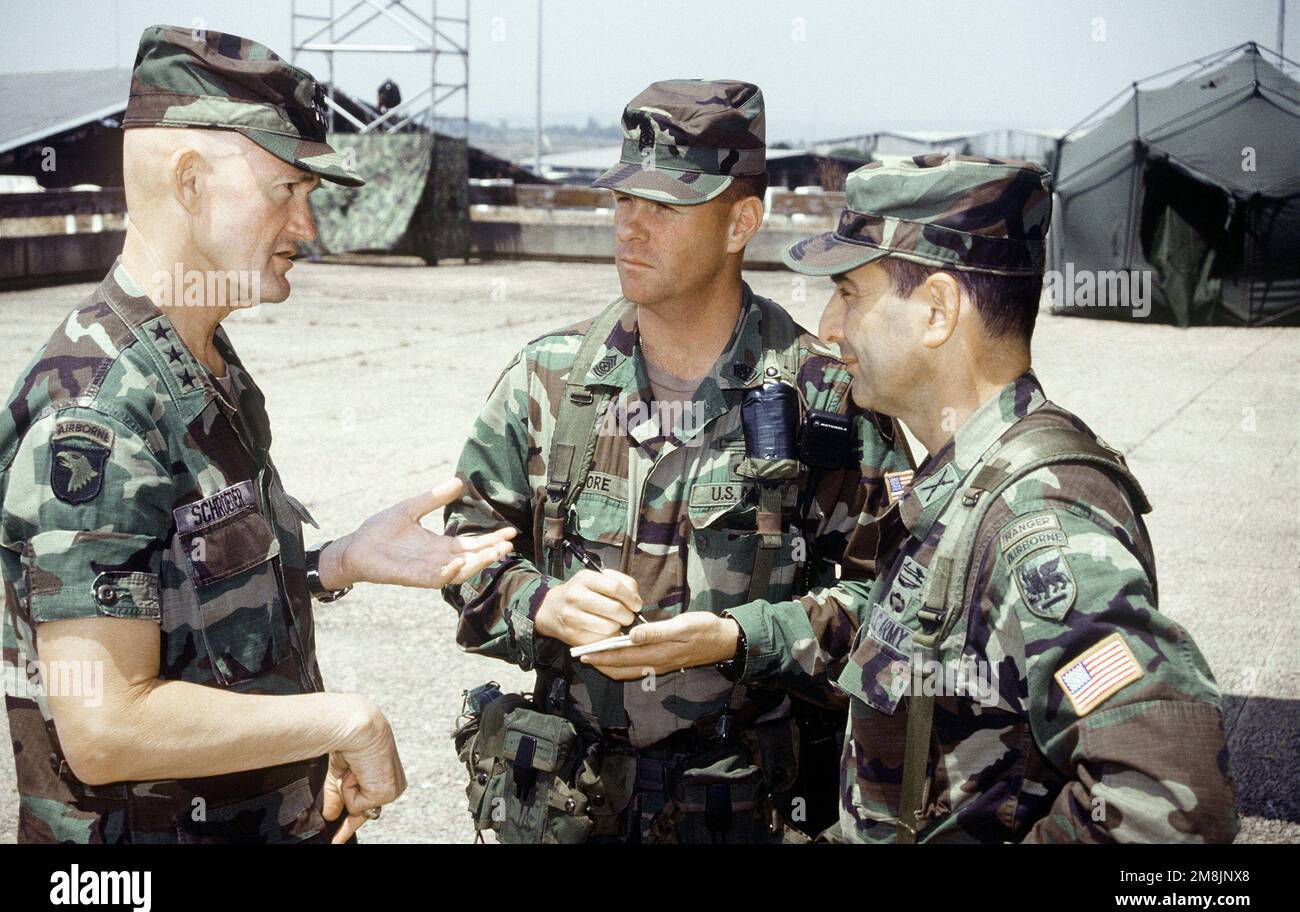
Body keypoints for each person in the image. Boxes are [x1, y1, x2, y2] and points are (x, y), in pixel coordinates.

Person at [0, 25, 514, 845]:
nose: (307, 227)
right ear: (191, 181)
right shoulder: (97, 413)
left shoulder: (201, 365)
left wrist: (331, 562)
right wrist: (341, 722)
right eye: (286, 191)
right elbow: (104, 729)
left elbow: (179, 605)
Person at [443, 79, 911, 843]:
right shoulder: (552, 379)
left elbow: (897, 608)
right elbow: (462, 547)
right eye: (624, 202)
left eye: (664, 207)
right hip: (570, 806)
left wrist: (741, 638)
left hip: (745, 809)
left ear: (740, 224)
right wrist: (539, 605)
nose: (630, 228)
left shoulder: (824, 398)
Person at [777, 152, 1238, 842]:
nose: (829, 326)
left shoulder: (1035, 518)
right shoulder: (959, 483)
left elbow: (1173, 804)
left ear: (937, 312)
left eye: (848, 292)